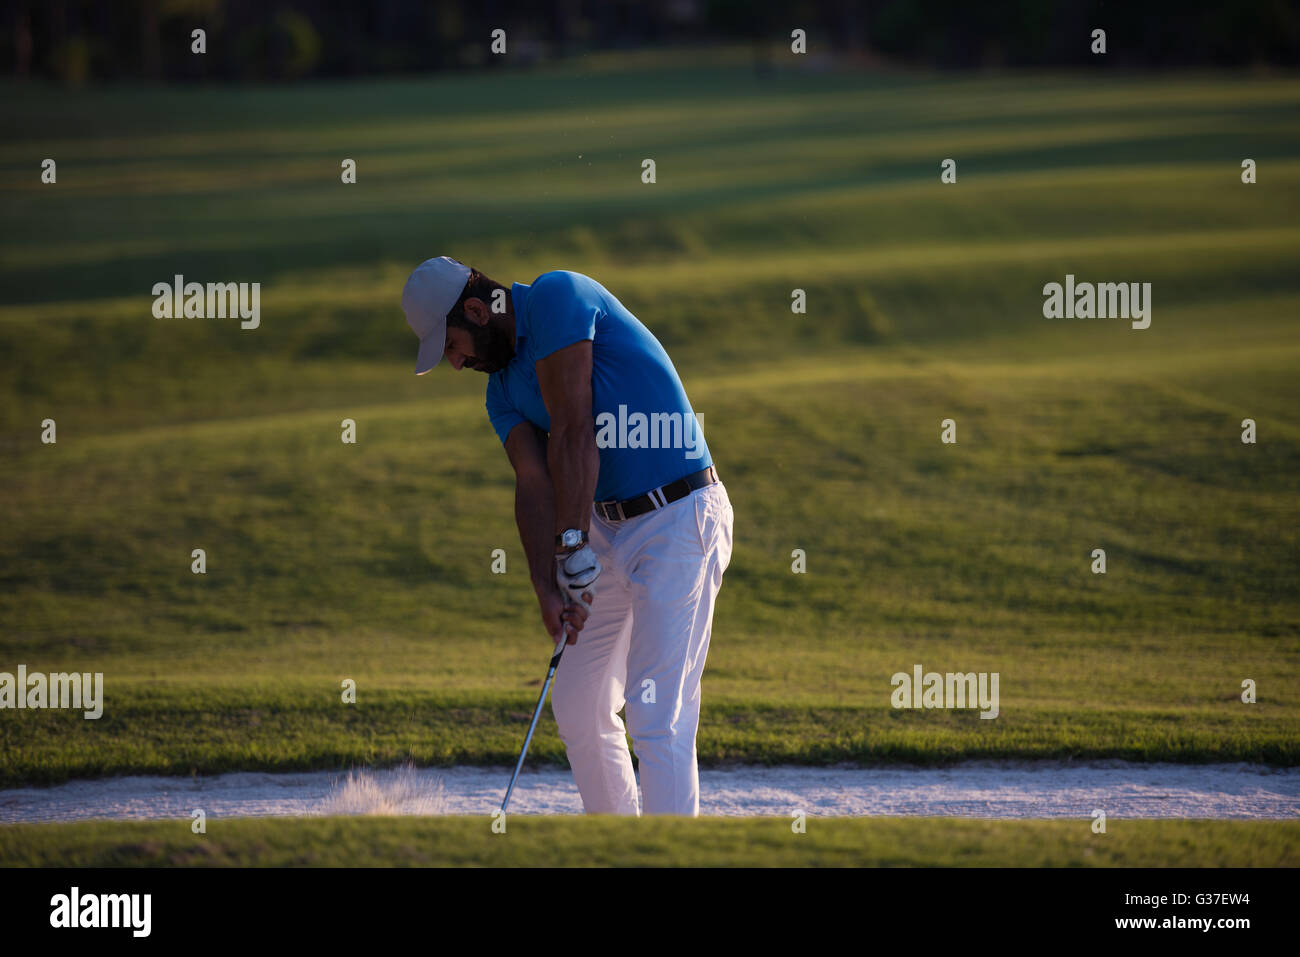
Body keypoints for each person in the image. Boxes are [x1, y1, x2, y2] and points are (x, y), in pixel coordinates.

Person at [401, 256, 733, 815]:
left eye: (454, 346)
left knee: (656, 713)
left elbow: (576, 427)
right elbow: (534, 484)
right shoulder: (501, 392)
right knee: (578, 704)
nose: (457, 364)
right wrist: (546, 585)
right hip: (606, 527)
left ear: (479, 311)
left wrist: (573, 544)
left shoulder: (558, 297)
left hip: (678, 517)